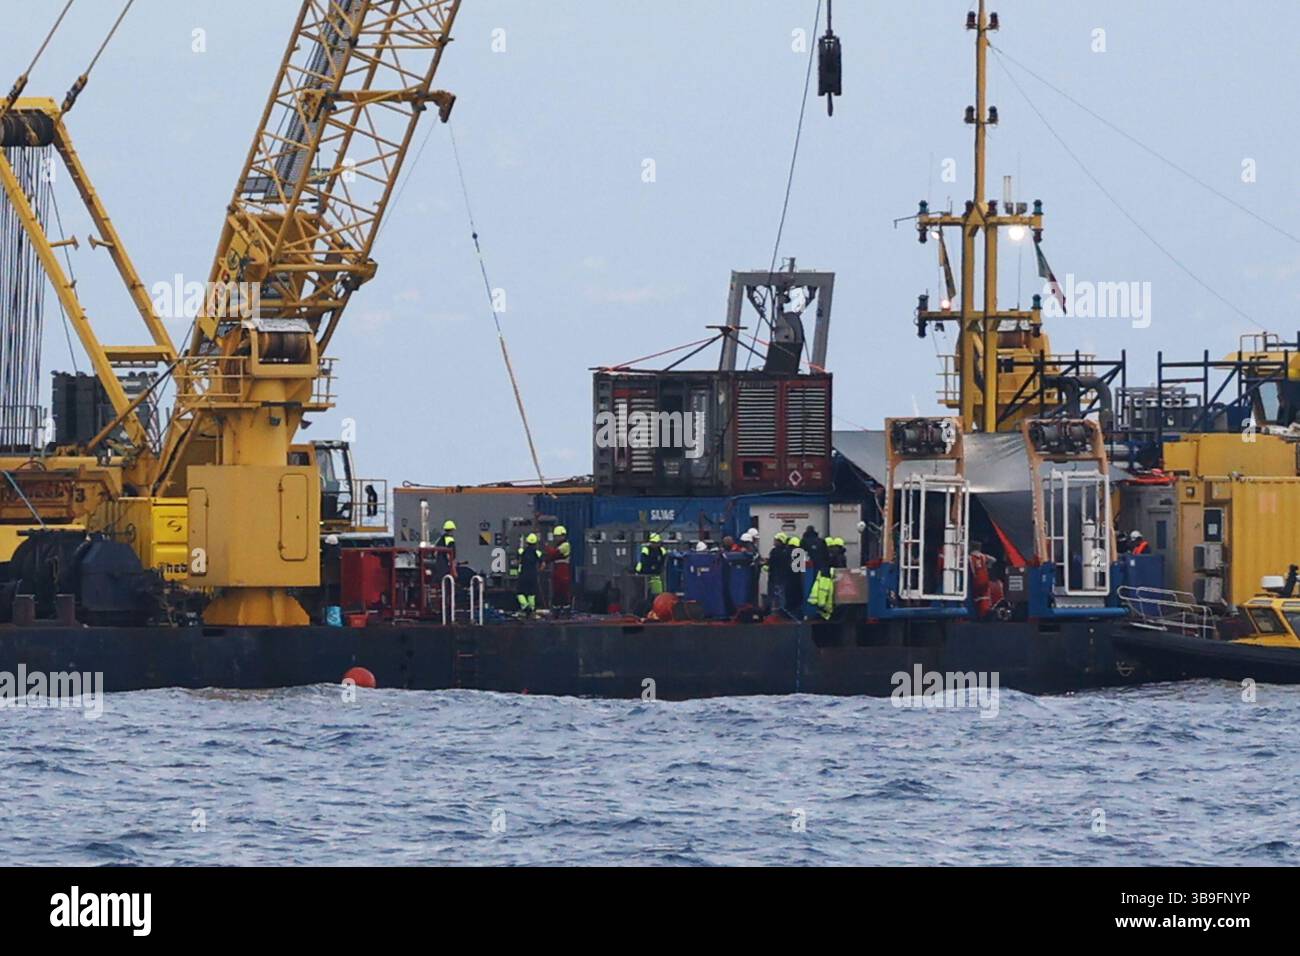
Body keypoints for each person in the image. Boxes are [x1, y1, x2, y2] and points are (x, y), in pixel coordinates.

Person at [516, 532, 543, 615]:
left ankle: (524, 606)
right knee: (531, 593)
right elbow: (542, 563)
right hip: (533, 575)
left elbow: (518, 560)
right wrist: (539, 571)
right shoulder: (538, 553)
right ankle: (531, 609)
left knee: (520, 592)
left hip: (523, 575)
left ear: (527, 542)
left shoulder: (522, 551)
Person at [548, 525, 572, 609]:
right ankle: (556, 608)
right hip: (557, 570)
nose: (556, 538)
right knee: (557, 590)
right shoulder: (558, 545)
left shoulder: (565, 545)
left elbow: (554, 553)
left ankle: (565, 609)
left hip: (563, 570)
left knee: (563, 590)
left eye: (558, 536)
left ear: (563, 536)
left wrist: (546, 547)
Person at [767, 532, 791, 613]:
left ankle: (775, 612)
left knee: (775, 595)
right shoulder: (787, 552)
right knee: (781, 595)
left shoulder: (775, 551)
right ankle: (781, 611)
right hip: (782, 577)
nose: (774, 541)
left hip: (775, 577)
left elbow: (771, 563)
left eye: (776, 540)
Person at [433, 519, 457, 583]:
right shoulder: (449, 539)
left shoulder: (440, 539)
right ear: (452, 530)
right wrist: (453, 568)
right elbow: (451, 554)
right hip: (445, 565)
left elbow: (435, 552)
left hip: (439, 564)